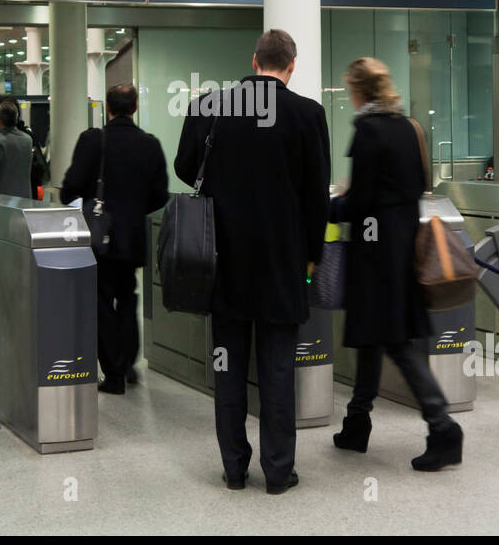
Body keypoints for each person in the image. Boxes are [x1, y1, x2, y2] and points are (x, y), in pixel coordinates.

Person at [174, 29, 330, 495]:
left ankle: (235, 468)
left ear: (255, 60)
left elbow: (185, 167)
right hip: (284, 262)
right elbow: (317, 193)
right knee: (279, 368)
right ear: (291, 65)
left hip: (223, 259)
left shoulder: (210, 106)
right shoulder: (308, 114)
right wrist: (313, 255)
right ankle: (279, 471)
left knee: (228, 364)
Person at [328, 57, 463, 472]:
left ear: (357, 91)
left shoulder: (368, 130)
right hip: (402, 247)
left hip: (376, 255)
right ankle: (356, 423)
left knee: (397, 343)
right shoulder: (409, 127)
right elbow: (416, 184)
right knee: (373, 338)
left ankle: (443, 427)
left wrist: (329, 208)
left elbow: (362, 201)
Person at [60, 84, 169, 395]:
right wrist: (134, 211)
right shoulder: (149, 143)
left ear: (107, 107)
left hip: (100, 236)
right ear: (134, 107)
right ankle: (128, 363)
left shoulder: (94, 139)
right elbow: (160, 193)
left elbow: (72, 185)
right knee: (129, 296)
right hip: (133, 236)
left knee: (102, 299)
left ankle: (114, 371)